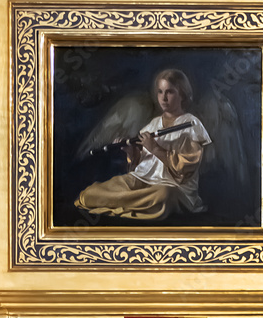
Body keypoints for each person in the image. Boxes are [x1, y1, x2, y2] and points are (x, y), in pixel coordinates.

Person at [75, 69, 211, 221]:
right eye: (160, 92)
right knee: (90, 194)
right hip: (144, 181)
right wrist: (131, 152)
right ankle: (130, 202)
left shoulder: (191, 124)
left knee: (163, 196)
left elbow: (186, 168)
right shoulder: (152, 125)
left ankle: (121, 202)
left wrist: (155, 149)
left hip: (173, 187)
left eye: (170, 92)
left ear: (183, 95)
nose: (164, 98)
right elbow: (142, 166)